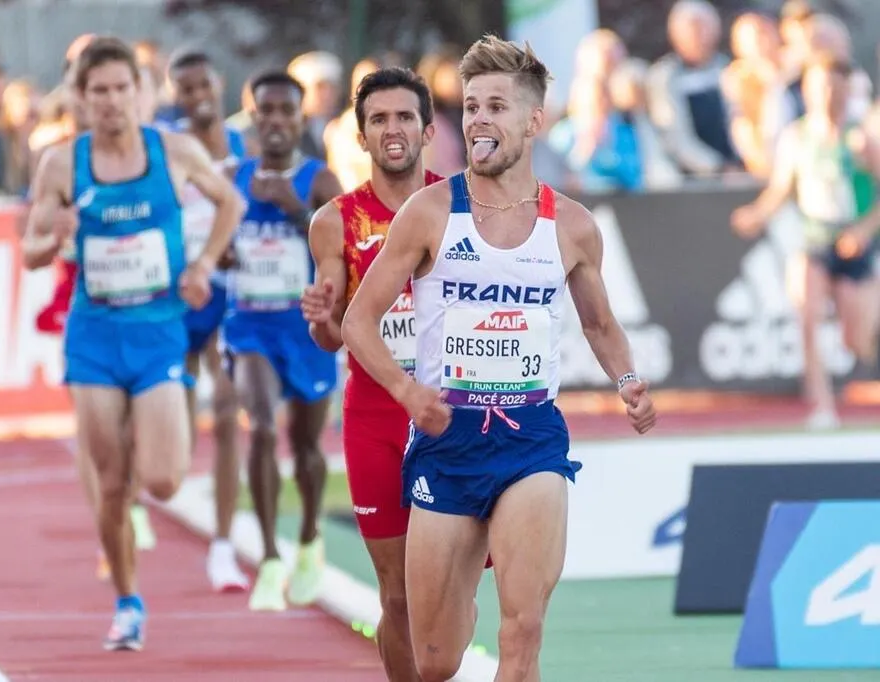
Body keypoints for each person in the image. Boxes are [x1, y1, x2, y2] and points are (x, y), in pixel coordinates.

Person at [341, 35, 657, 681]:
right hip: (447, 441)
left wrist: (627, 380)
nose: (479, 120)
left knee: (524, 630)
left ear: (534, 121)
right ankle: (458, 599)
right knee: (435, 661)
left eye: (495, 107)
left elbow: (599, 324)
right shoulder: (430, 212)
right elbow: (358, 322)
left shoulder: (571, 225)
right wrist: (407, 391)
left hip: (530, 438)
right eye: (471, 107)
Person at [22, 35, 244, 651]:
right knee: (112, 480)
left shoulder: (172, 151)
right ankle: (127, 603)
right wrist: (54, 235)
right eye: (100, 91)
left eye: (122, 88)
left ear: (139, 92)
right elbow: (30, 250)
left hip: (158, 333)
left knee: (164, 480)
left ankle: (159, 424)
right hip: (93, 338)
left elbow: (230, 201)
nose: (113, 100)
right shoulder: (62, 164)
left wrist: (202, 265)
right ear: (81, 97)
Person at [301, 66, 440, 680]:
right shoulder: (335, 221)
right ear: (361, 137)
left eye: (405, 116)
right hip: (375, 418)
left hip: (447, 414)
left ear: (428, 130)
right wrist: (322, 318)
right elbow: (333, 333)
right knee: (398, 595)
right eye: (379, 119)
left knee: (447, 590)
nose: (392, 129)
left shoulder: (461, 205)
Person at [224, 70, 344, 611]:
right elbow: (210, 239)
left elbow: (345, 246)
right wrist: (223, 252)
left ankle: (310, 538)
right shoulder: (234, 178)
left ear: (301, 118)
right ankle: (270, 557)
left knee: (306, 447)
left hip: (306, 328)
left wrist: (295, 210)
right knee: (262, 427)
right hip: (250, 324)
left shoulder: (319, 180)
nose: (275, 121)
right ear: (252, 117)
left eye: (285, 111)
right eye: (265, 111)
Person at [732, 53, 880, 430]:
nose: (827, 95)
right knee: (808, 319)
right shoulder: (796, 136)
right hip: (814, 239)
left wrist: (863, 231)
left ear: (846, 90)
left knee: (857, 341)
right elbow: (782, 187)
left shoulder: (862, 136)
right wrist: (758, 214)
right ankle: (822, 406)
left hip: (854, 243)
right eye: (819, 87)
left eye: (833, 87)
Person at [166, 47, 249, 592]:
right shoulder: (169, 150)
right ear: (174, 94)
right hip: (179, 295)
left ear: (219, 85)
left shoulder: (245, 146)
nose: (197, 97)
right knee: (170, 431)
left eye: (203, 86)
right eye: (186, 89)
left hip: (229, 295)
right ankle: (136, 498)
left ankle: (223, 546)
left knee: (225, 414)